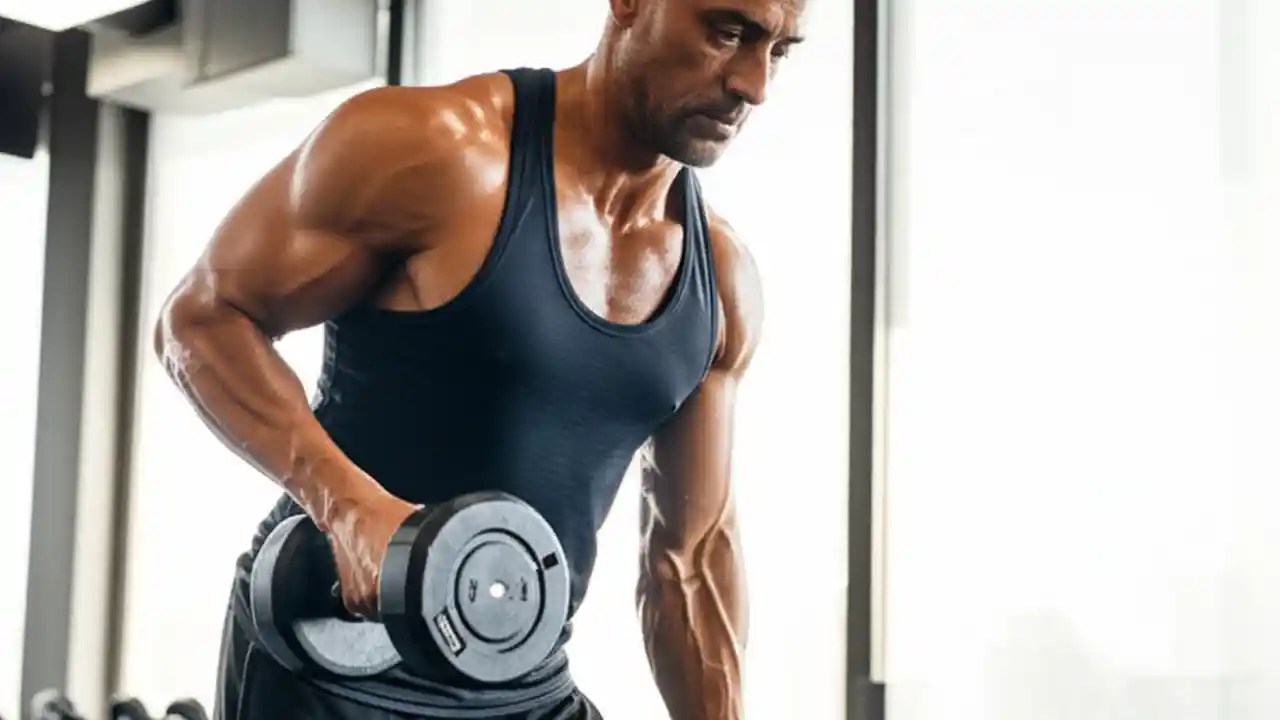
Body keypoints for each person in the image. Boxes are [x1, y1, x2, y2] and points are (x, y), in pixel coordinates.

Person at [153, 0, 808, 717]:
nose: (753, 84)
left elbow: (690, 560)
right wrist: (348, 508)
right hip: (333, 667)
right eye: (728, 31)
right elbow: (202, 320)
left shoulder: (718, 278)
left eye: (778, 51)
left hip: (521, 675)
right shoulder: (435, 149)